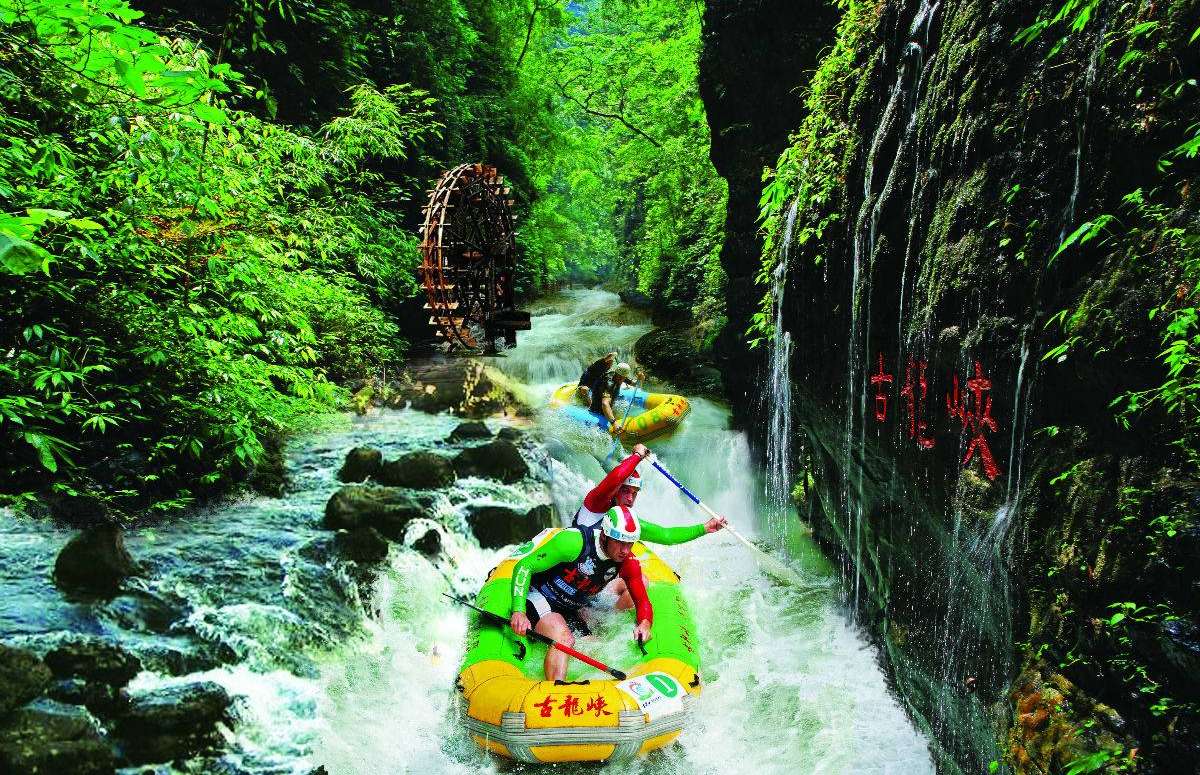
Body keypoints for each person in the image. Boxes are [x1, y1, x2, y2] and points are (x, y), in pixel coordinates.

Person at [509, 506, 651, 680]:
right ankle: (555, 693)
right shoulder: (573, 542)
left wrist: (645, 623)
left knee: (597, 648)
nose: (626, 550)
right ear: (605, 535)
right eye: (620, 542)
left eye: (630, 543)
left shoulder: (628, 561)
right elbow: (524, 566)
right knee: (564, 640)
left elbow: (642, 601)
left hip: (571, 607)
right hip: (540, 596)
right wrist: (518, 611)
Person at [590, 362, 640, 430]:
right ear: (616, 373)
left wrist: (640, 378)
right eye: (619, 377)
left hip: (607, 407)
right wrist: (614, 423)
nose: (620, 379)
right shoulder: (609, 383)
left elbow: (635, 384)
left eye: (622, 378)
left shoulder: (619, 375)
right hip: (598, 410)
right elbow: (605, 404)